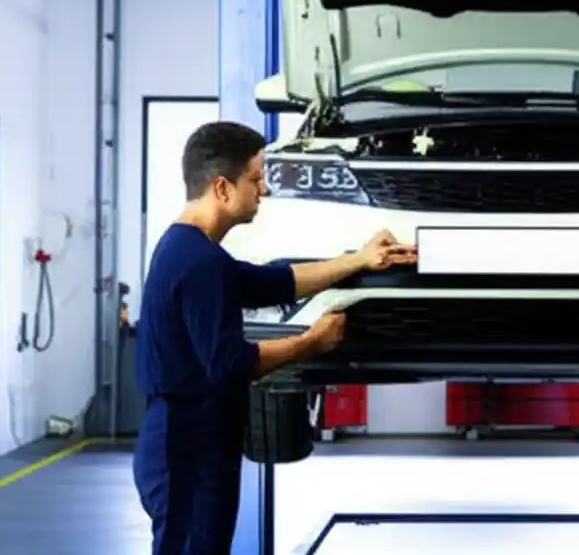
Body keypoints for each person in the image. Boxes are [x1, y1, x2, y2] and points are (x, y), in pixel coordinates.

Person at [132, 121, 416, 554]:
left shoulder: (190, 251)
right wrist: (312, 342)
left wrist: (359, 258)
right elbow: (231, 364)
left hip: (189, 439)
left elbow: (276, 282)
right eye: (256, 179)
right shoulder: (200, 263)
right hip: (187, 446)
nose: (262, 191)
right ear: (223, 188)